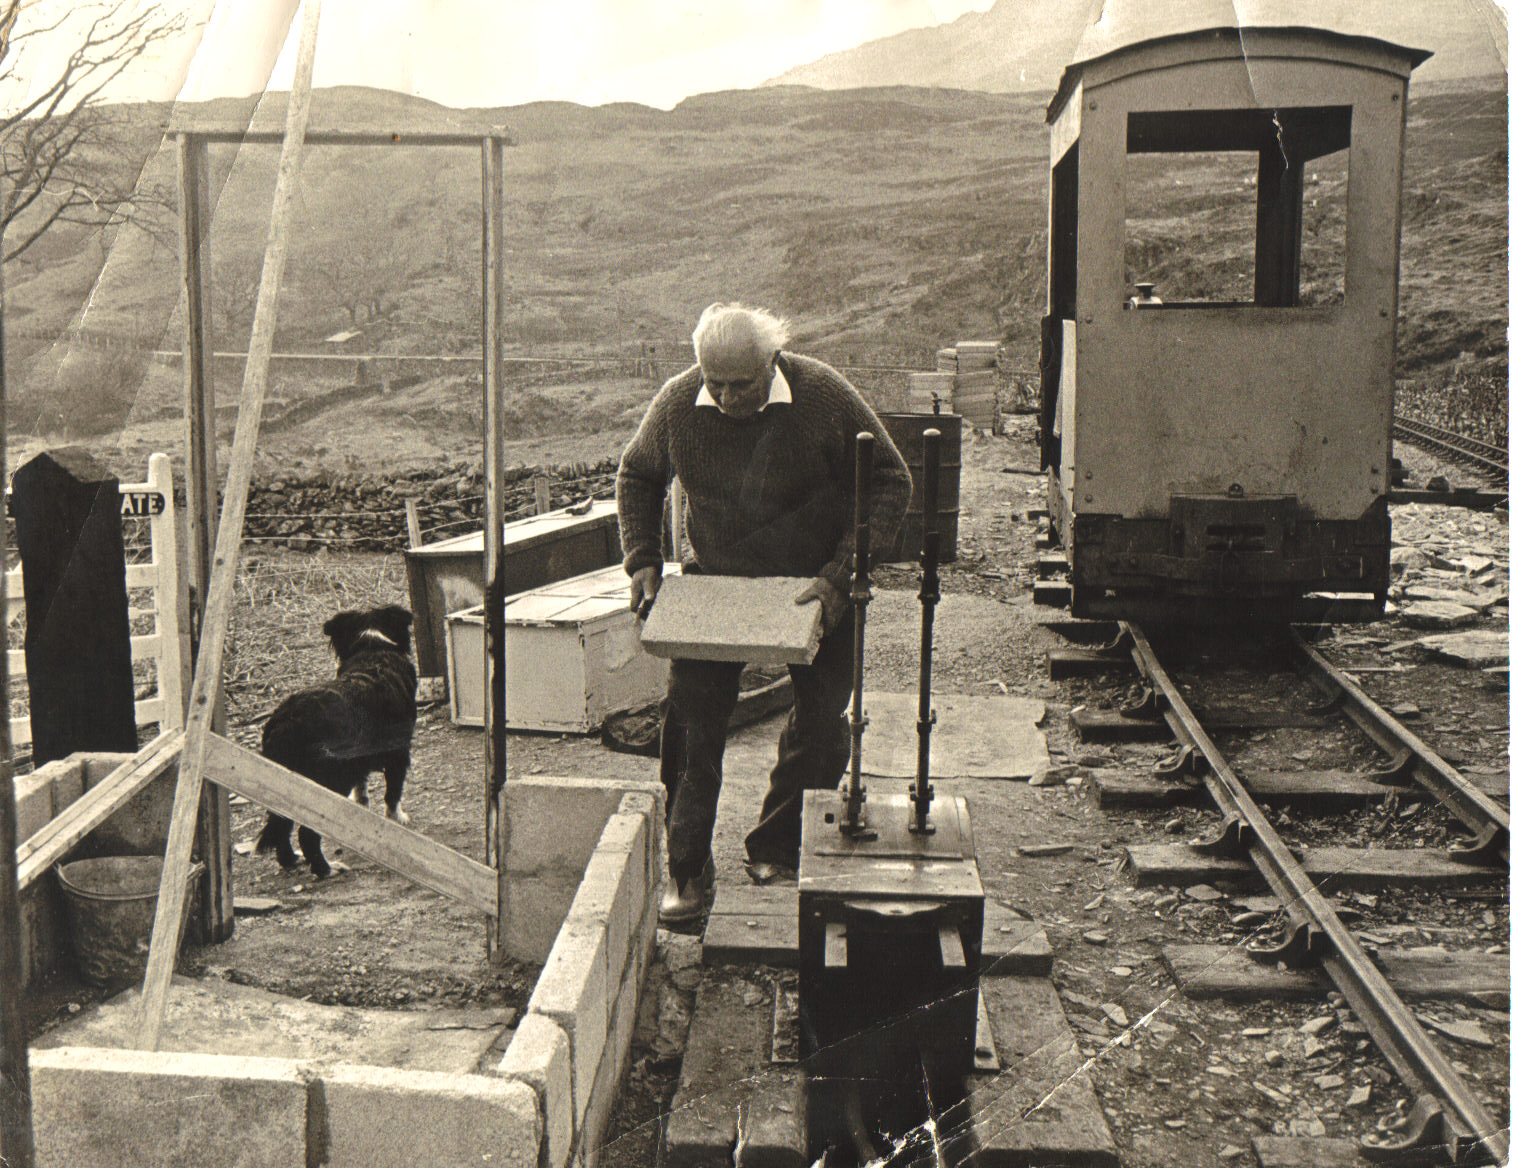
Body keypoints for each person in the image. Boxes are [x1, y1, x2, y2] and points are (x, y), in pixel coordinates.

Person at [616, 303, 911, 925]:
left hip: (814, 585)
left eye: (740, 385)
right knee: (691, 721)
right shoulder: (676, 405)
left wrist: (842, 575)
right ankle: (688, 867)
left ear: (772, 362)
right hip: (718, 582)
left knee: (822, 720)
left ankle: (778, 845)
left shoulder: (823, 394)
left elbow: (890, 479)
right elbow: (636, 475)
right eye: (712, 383)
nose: (724, 398)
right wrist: (642, 556)